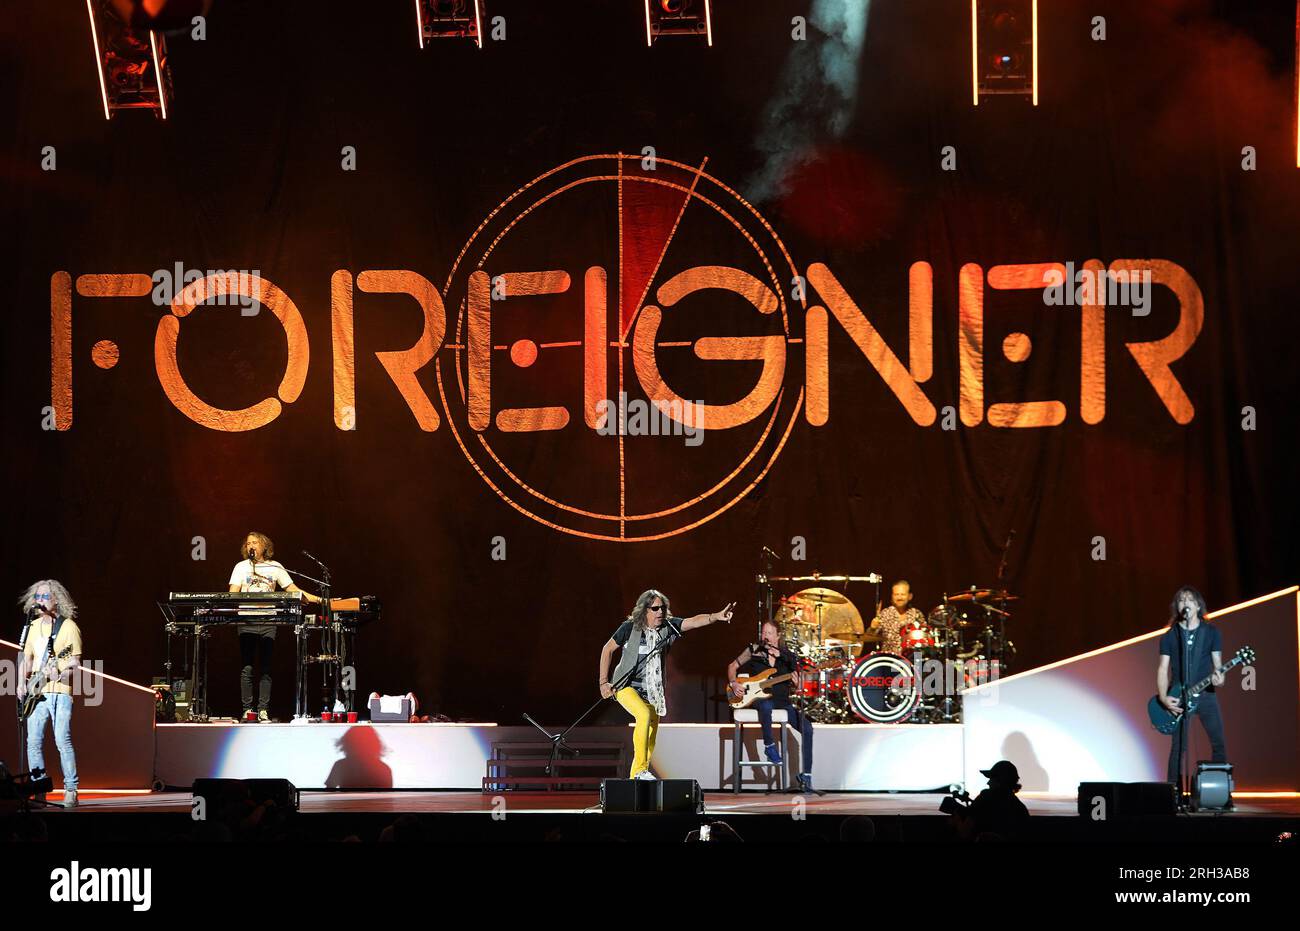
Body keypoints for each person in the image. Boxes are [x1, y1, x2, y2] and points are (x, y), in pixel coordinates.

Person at [598, 590, 734, 779]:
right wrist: (604, 683)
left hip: (651, 691)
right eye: (655, 608)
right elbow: (607, 649)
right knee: (643, 715)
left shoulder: (668, 627)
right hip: (625, 686)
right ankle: (639, 771)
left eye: (663, 608)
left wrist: (715, 617)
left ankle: (636, 776)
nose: (660, 612)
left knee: (652, 729)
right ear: (644, 610)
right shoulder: (629, 627)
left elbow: (693, 621)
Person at [229, 532, 320, 722]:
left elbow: (294, 590)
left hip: (269, 621)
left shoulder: (275, 567)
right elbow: (232, 594)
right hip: (246, 620)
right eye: (248, 543)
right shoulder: (241, 567)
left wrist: (320, 599)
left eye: (254, 542)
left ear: (264, 546)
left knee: (266, 667)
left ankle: (263, 710)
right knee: (247, 667)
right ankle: (247, 710)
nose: (251, 546)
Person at [727, 620, 818, 793]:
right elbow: (732, 666)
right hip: (759, 699)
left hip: (783, 703)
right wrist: (733, 683)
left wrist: (796, 682)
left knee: (808, 728)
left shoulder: (788, 657)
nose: (765, 636)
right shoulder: (754, 650)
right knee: (766, 704)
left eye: (769, 633)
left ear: (777, 636)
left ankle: (806, 776)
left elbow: (796, 685)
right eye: (763, 632)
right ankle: (769, 747)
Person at [16, 580, 82, 808]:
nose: (40, 601)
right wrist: (20, 684)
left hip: (60, 693)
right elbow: (27, 659)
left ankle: (71, 789)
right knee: (33, 741)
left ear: (56, 600)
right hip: (37, 692)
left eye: (45, 596)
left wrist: (61, 675)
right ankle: (39, 790)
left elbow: (74, 663)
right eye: (38, 597)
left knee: (62, 740)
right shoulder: (32, 626)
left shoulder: (68, 627)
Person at [1157, 585, 1226, 787]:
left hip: (1206, 695)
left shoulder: (1211, 632)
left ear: (1198, 606)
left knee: (1218, 742)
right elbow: (1162, 669)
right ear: (1177, 607)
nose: (1185, 603)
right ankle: (1172, 794)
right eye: (1181, 600)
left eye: (1189, 599)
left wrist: (1219, 678)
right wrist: (1163, 697)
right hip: (1179, 697)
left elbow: (1218, 667)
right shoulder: (1170, 636)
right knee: (1178, 747)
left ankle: (1220, 792)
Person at [950, 760, 1030, 841]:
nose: (988, 782)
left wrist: (957, 820)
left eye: (992, 778)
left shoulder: (985, 797)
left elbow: (964, 832)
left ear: (999, 781)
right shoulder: (1020, 808)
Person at [869, 580, 925, 655]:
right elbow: (870, 637)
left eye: (903, 594)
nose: (899, 597)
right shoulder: (885, 613)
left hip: (911, 659)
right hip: (889, 659)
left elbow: (925, 637)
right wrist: (872, 628)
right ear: (892, 596)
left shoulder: (917, 614)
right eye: (896, 594)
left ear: (910, 596)